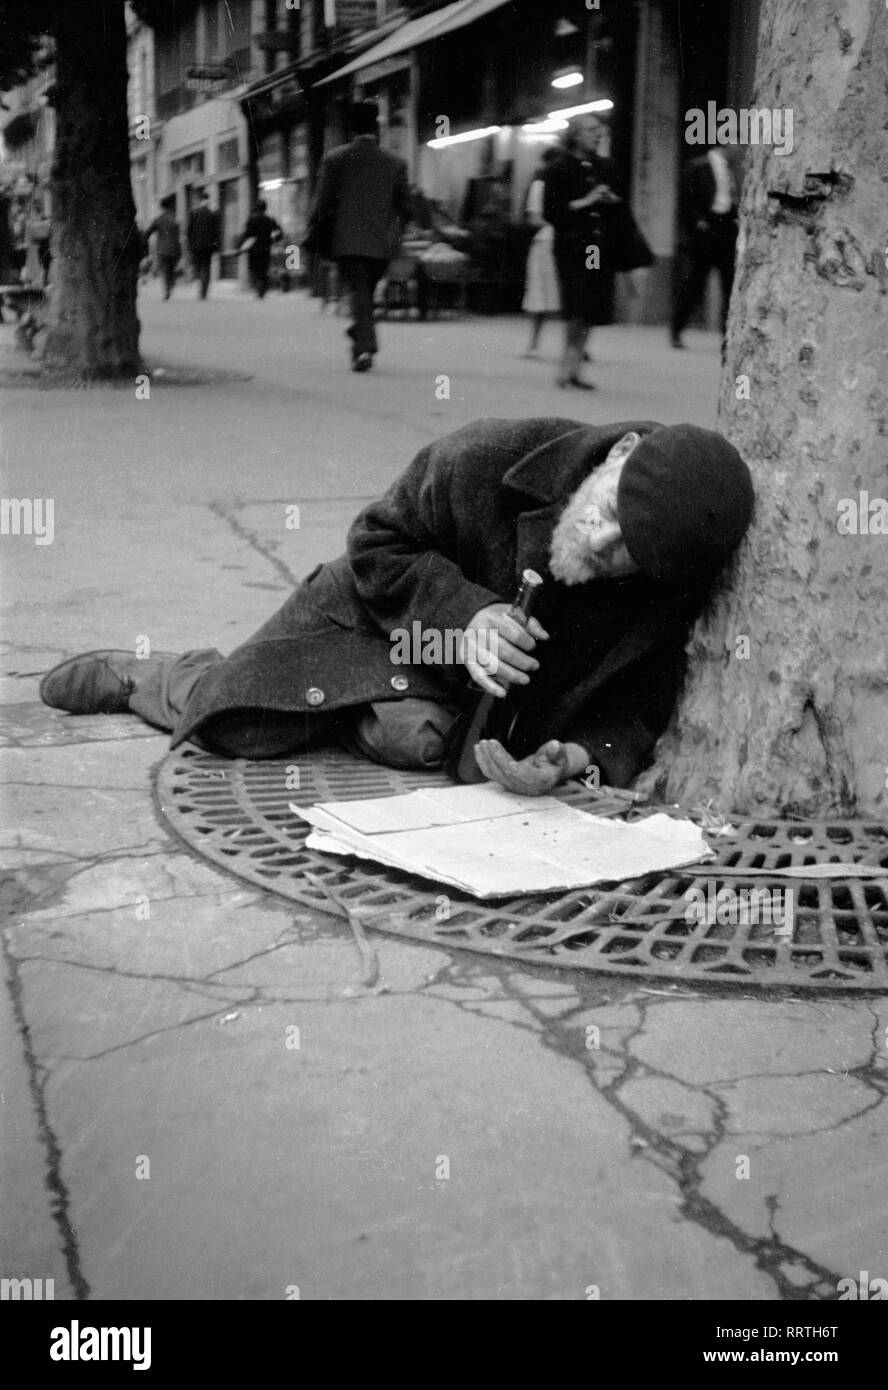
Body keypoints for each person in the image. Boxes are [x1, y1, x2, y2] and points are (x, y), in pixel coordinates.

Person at [39, 418, 754, 795]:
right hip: (377, 618)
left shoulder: (665, 588)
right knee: (238, 726)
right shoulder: (484, 456)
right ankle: (153, 676)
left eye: (627, 550)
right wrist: (467, 617)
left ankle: (377, 712)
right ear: (619, 451)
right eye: (607, 510)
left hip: (468, 705)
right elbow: (376, 542)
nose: (601, 540)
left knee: (420, 741)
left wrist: (577, 759)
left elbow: (635, 712)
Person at [304, 100, 411, 372]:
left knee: (361, 294)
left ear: (350, 128)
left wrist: (313, 224)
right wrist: (398, 231)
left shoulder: (335, 159)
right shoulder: (395, 163)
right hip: (382, 243)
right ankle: (361, 342)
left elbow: (322, 202)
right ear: (377, 127)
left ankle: (363, 345)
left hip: (348, 242)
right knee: (365, 293)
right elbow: (406, 206)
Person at [543, 114, 625, 389]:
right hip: (571, 245)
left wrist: (611, 200)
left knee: (592, 305)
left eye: (600, 130)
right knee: (575, 303)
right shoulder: (558, 167)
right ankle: (568, 359)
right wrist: (586, 201)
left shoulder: (608, 166)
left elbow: (620, 208)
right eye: (591, 130)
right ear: (576, 135)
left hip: (598, 245)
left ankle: (576, 365)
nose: (597, 134)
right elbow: (551, 212)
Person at [670, 147, 738, 349]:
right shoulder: (699, 166)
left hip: (726, 228)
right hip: (705, 230)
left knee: (729, 284)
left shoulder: (731, 169)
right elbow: (685, 201)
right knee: (694, 284)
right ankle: (676, 330)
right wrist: (697, 223)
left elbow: (730, 197)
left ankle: (727, 335)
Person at [520, 148, 561, 358]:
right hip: (545, 243)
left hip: (564, 243)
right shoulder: (539, 185)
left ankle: (577, 346)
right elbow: (533, 218)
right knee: (540, 296)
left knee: (572, 296)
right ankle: (533, 344)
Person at [238, 199, 283, 299]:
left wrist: (240, 246)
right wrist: (272, 240)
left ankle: (259, 288)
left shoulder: (251, 220)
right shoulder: (270, 220)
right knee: (263, 269)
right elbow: (280, 233)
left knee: (255, 269)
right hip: (265, 249)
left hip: (253, 249)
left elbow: (246, 235)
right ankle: (262, 290)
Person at [145, 195, 182, 300]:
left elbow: (147, 233)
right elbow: (179, 235)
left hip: (162, 249)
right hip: (174, 249)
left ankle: (167, 289)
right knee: (171, 269)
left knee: (165, 269)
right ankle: (171, 285)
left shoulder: (158, 220)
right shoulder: (175, 219)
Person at [187, 189, 221, 300]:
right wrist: (216, 246)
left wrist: (190, 246)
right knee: (206, 267)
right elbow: (217, 232)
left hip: (196, 246)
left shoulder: (194, 213)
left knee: (198, 266)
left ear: (199, 200)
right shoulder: (212, 213)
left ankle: (200, 284)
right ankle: (204, 291)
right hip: (208, 246)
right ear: (208, 200)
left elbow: (189, 232)